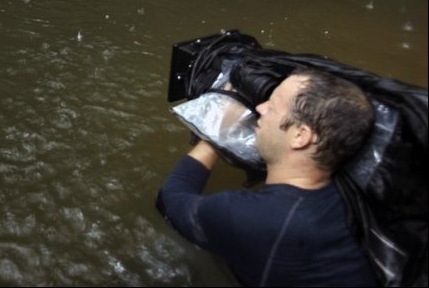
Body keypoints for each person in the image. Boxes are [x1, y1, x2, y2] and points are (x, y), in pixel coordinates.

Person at [156, 69, 378, 287]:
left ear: (300, 136)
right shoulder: (356, 196)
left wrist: (218, 129)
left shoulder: (255, 218)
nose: (259, 108)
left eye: (271, 107)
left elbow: (169, 200)